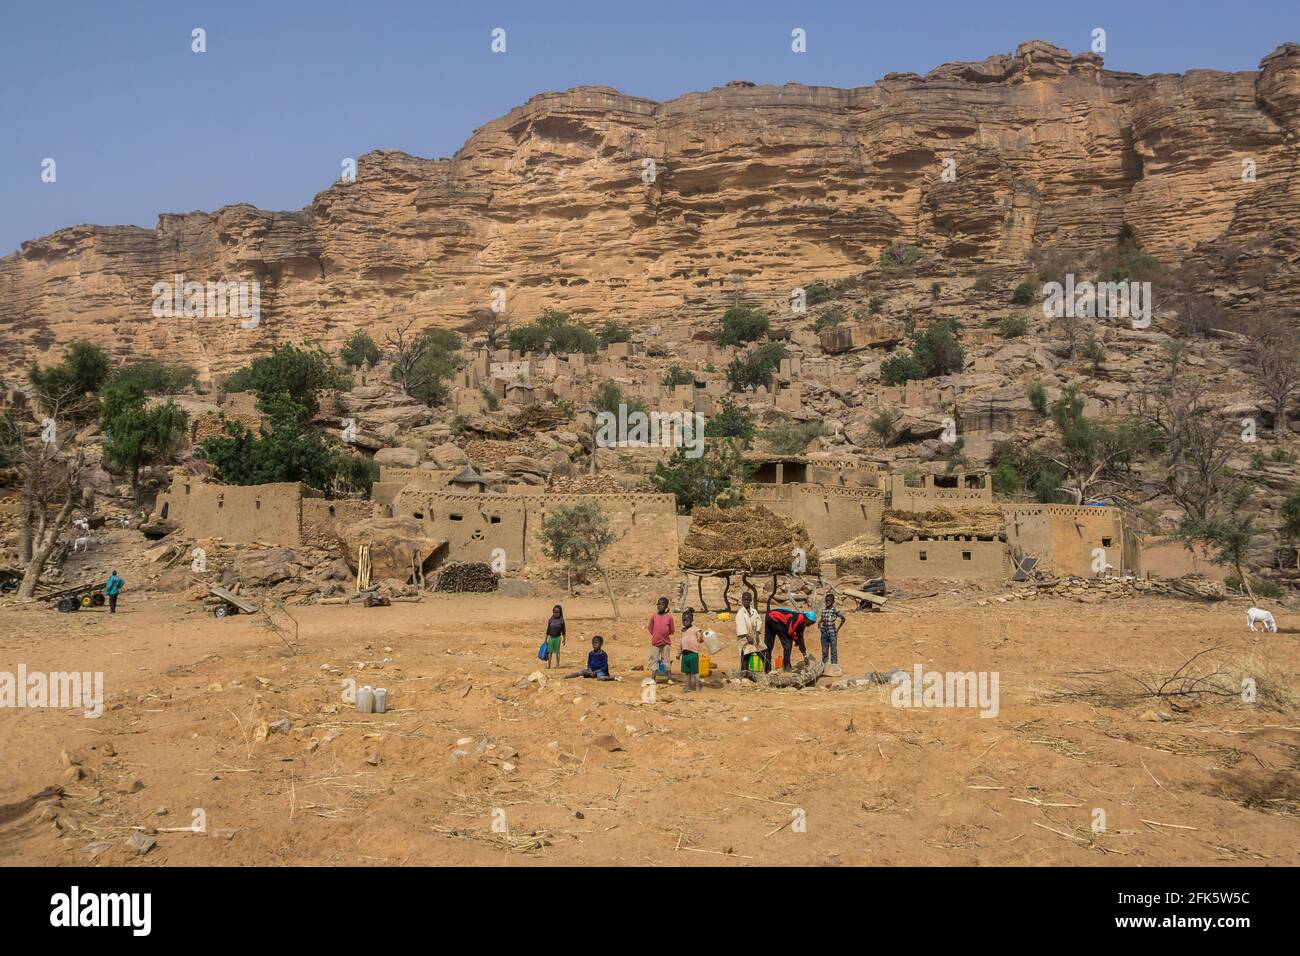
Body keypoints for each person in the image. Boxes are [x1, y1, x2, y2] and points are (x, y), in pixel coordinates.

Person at [763, 607, 816, 673]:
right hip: (775, 618)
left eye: (812, 624)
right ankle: (786, 667)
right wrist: (795, 639)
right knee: (788, 643)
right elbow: (790, 631)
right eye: (810, 623)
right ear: (807, 618)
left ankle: (767, 669)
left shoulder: (802, 623)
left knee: (768, 645)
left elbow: (800, 639)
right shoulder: (800, 617)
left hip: (769, 616)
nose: (809, 625)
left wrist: (805, 656)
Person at [734, 590, 762, 672]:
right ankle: (744, 674)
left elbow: (758, 621)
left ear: (751, 601)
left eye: (748, 600)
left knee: (762, 653)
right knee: (745, 656)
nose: (746, 601)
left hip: (754, 637)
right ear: (742, 601)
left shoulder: (754, 611)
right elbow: (741, 626)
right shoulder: (740, 613)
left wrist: (757, 634)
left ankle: (767, 671)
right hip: (744, 639)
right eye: (744, 600)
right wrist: (747, 637)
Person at [646, 596, 675, 674]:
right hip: (655, 643)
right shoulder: (654, 617)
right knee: (654, 660)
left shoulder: (669, 617)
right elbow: (650, 628)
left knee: (666, 660)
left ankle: (669, 677)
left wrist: (664, 634)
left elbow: (672, 630)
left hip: (666, 643)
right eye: (658, 604)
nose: (659, 606)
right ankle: (653, 678)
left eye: (662, 604)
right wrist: (656, 634)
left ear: (666, 606)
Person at [678, 608, 703, 692]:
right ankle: (687, 686)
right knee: (687, 672)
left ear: (692, 620)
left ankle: (697, 686)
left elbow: (700, 637)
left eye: (687, 620)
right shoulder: (683, 630)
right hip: (685, 654)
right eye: (683, 620)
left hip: (693, 654)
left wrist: (701, 637)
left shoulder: (695, 629)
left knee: (695, 672)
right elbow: (681, 642)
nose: (685, 622)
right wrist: (679, 653)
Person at [819, 593, 847, 665]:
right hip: (824, 633)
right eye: (826, 601)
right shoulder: (823, 610)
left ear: (833, 602)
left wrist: (838, 629)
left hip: (832, 633)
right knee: (824, 650)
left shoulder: (835, 610)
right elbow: (821, 620)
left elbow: (843, 619)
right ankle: (824, 665)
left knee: (833, 650)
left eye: (828, 601)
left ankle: (834, 665)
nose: (827, 602)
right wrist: (820, 627)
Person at [544, 604, 566, 668]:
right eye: (554, 612)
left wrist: (564, 639)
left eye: (557, 612)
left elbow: (564, 630)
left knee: (557, 652)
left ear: (560, 612)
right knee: (549, 652)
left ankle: (558, 664)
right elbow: (548, 630)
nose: (556, 614)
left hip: (558, 638)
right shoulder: (551, 620)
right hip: (551, 638)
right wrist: (545, 639)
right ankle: (549, 665)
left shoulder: (561, 620)